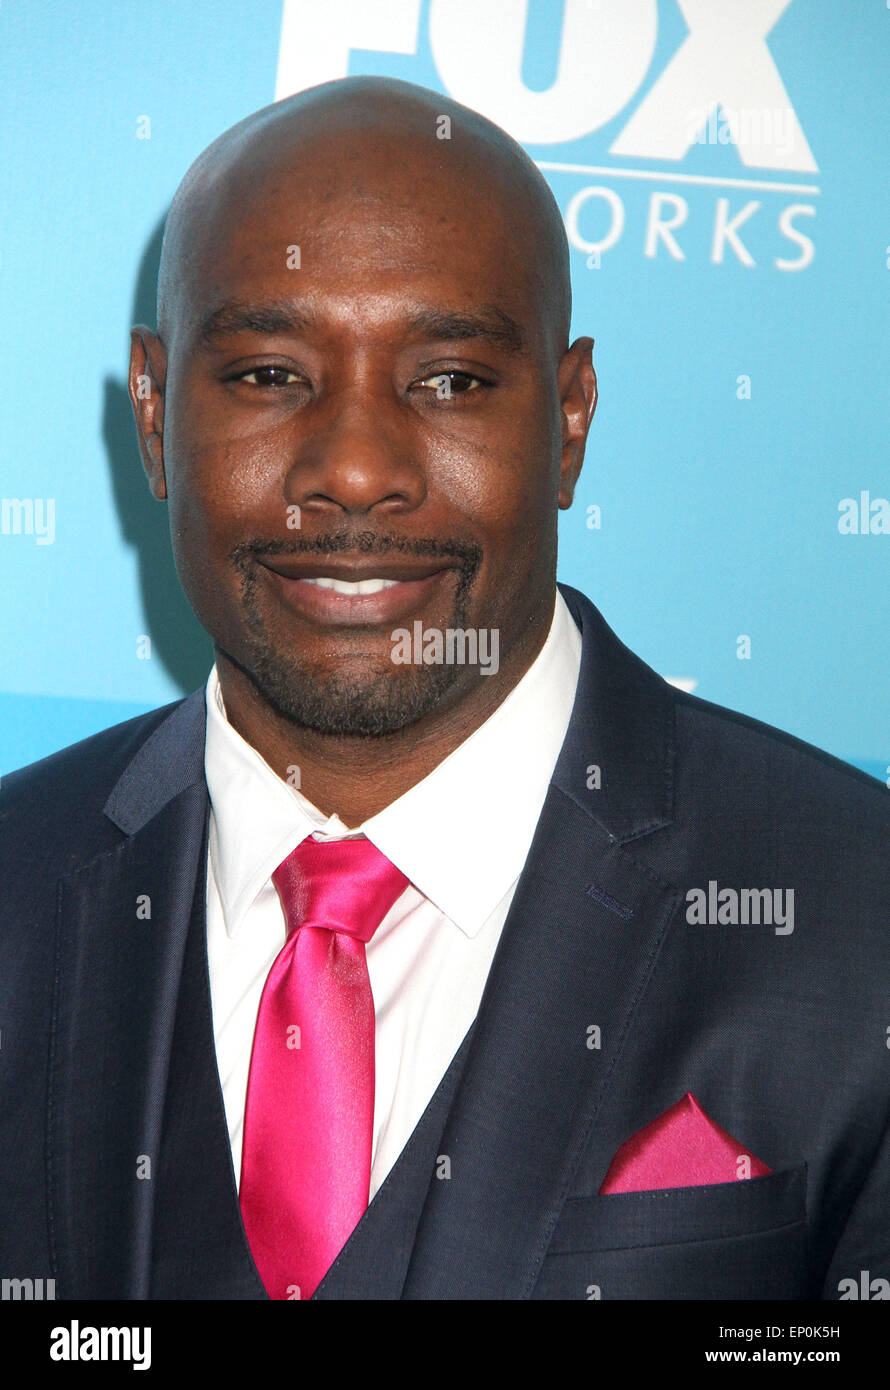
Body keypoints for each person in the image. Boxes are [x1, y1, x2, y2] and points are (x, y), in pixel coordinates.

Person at [1, 75, 888, 1302]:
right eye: (266, 374)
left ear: (568, 419)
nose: (356, 470)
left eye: (450, 381)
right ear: (153, 413)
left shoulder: (856, 911)